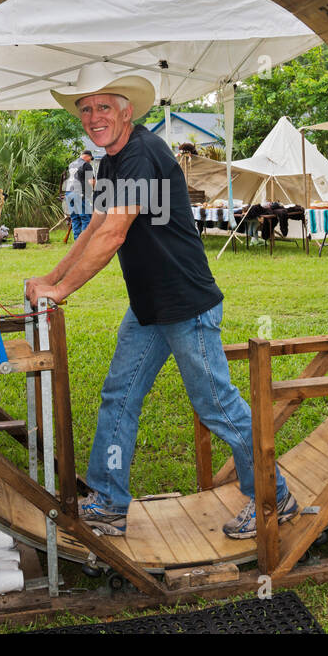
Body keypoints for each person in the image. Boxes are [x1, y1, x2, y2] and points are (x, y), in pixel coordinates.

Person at [26, 75, 297, 540]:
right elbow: (96, 227)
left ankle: (275, 498)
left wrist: (63, 291)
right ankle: (109, 502)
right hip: (149, 306)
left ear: (127, 111)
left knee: (219, 408)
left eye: (104, 108)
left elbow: (115, 234)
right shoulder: (112, 161)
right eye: (86, 110)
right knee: (119, 397)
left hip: (186, 305)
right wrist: (51, 278)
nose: (94, 118)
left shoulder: (143, 153)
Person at [61, 150, 96, 238]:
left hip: (68, 193)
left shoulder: (71, 164)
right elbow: (91, 181)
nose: (90, 161)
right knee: (85, 217)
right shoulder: (86, 164)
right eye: (90, 159)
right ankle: (85, 241)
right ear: (88, 156)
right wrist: (96, 190)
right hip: (79, 193)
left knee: (75, 218)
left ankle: (77, 240)